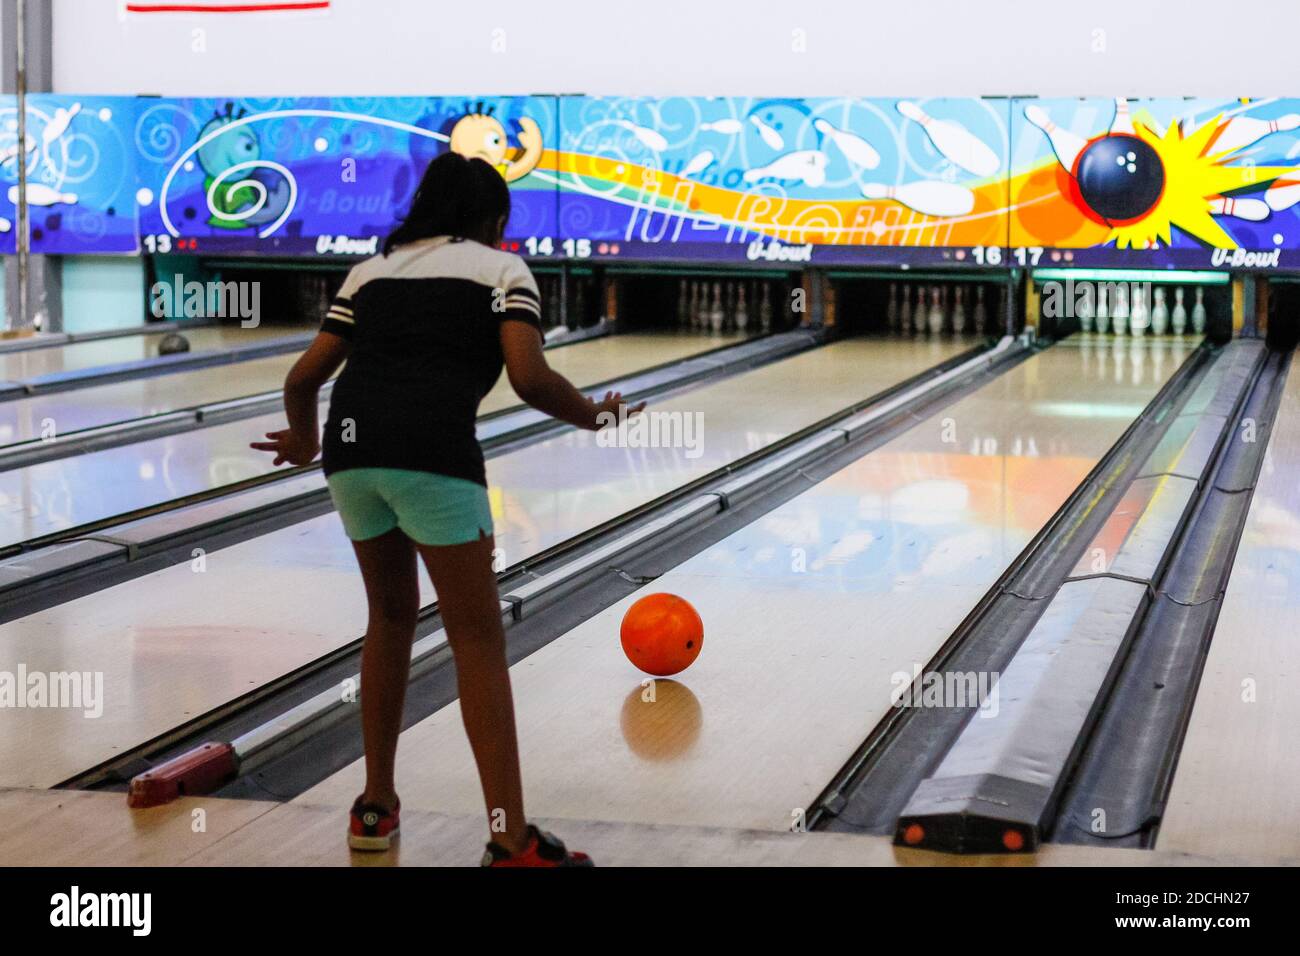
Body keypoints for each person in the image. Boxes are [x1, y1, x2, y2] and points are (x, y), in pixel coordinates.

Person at [252, 152, 642, 867]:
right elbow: (528, 376)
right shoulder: (502, 271)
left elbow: (304, 376)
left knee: (390, 618)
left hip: (351, 451)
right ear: (493, 220)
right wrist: (594, 417)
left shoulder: (369, 273)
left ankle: (374, 807)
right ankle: (509, 837)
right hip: (433, 453)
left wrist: (306, 440)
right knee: (476, 641)